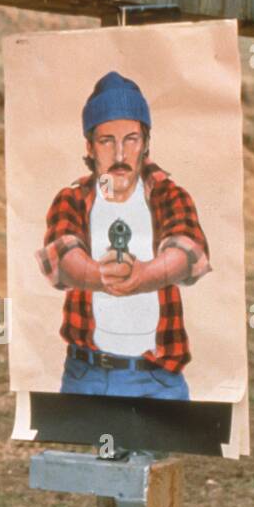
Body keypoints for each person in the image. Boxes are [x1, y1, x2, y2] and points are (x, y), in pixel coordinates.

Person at [36, 71, 211, 400]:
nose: (120, 154)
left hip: (157, 379)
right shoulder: (72, 199)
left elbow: (188, 250)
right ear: (90, 146)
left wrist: (146, 275)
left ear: (145, 142)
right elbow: (62, 256)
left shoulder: (168, 195)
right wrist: (97, 275)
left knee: (163, 454)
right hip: (88, 376)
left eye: (131, 139)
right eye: (107, 141)